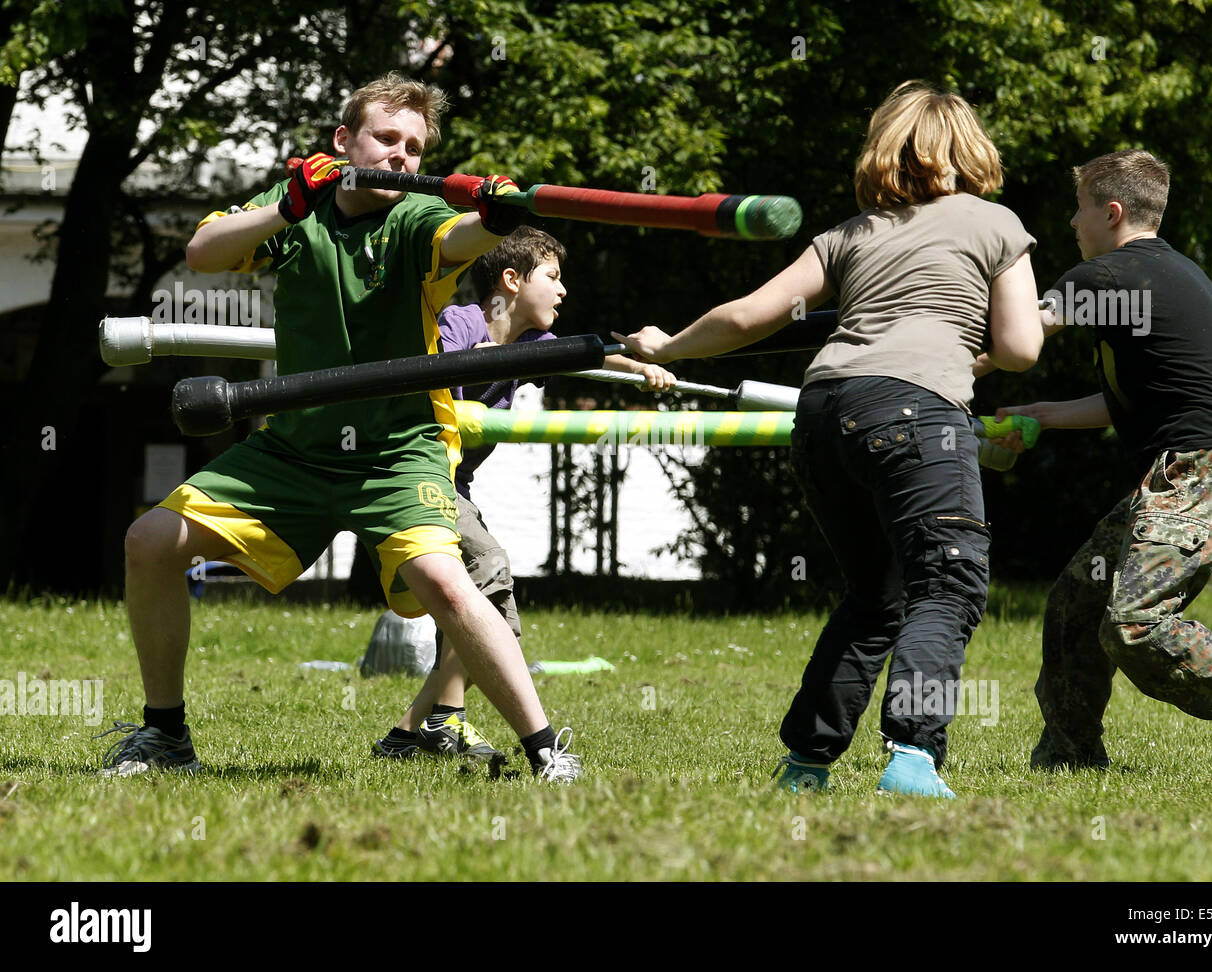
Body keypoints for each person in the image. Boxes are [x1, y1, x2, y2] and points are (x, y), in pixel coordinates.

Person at [101, 73, 582, 783]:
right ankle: (165, 737)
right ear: (343, 140)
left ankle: (547, 754)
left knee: (451, 589)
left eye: (414, 148)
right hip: (295, 450)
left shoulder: (415, 219)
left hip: (398, 453)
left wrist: (498, 218)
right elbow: (203, 253)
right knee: (149, 542)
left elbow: (462, 239)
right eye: (386, 139)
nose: (400, 158)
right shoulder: (296, 207)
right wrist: (288, 206)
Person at [615, 81, 1044, 797]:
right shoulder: (994, 222)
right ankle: (912, 756)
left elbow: (754, 315)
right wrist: (968, 350)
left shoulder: (850, 233)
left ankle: (806, 764)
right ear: (972, 149)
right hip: (918, 415)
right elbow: (1022, 346)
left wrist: (668, 346)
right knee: (949, 583)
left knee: (876, 596)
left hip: (821, 413)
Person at [991, 149, 1212, 773]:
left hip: (1204, 470)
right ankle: (1071, 756)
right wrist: (1042, 414)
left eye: (1079, 210)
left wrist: (913, 363)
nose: (1070, 225)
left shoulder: (1104, 276)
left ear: (1111, 212)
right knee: (1076, 603)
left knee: (1132, 620)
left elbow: (1009, 342)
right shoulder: (1167, 275)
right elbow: (1127, 402)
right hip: (1191, 467)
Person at [370, 225, 675, 766]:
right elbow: (427, 369)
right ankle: (449, 726)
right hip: (416, 474)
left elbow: (592, 357)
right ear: (510, 281)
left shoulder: (531, 345)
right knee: (488, 574)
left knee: (480, 602)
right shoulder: (458, 323)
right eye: (552, 278)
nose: (562, 291)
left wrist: (642, 367)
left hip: (454, 485)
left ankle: (419, 729)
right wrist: (483, 356)